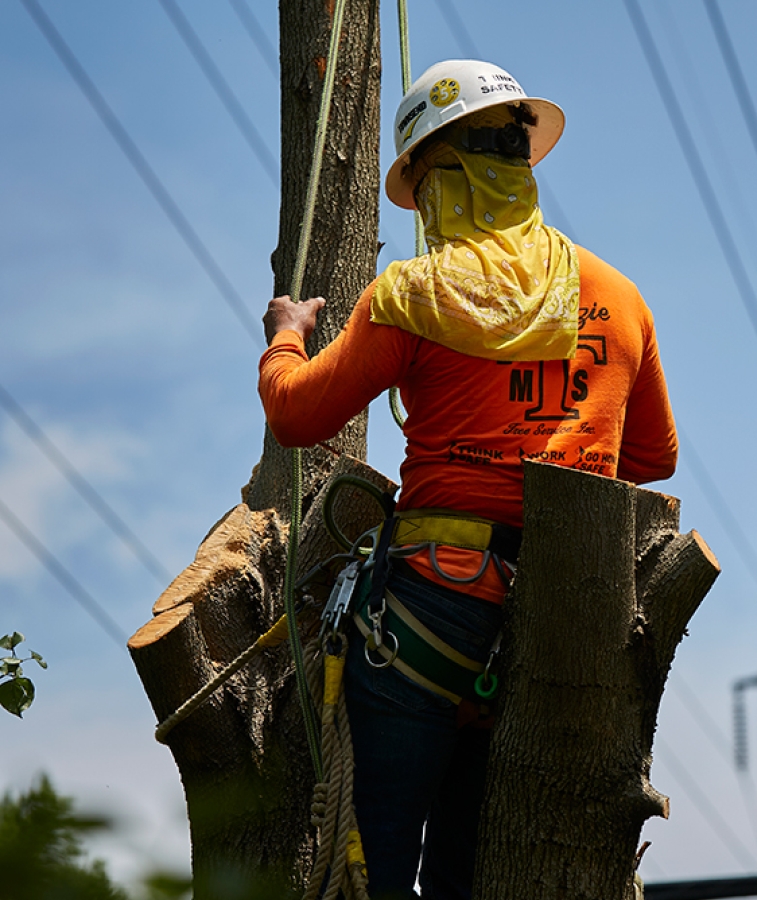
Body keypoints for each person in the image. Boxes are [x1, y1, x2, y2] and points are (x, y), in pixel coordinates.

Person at [258, 59, 677, 900]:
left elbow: (298, 416)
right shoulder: (617, 298)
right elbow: (652, 460)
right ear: (520, 164)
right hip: (560, 624)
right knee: (472, 876)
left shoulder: (415, 294)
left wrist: (286, 335)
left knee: (372, 867)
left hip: (427, 611)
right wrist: (563, 421)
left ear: (439, 180)